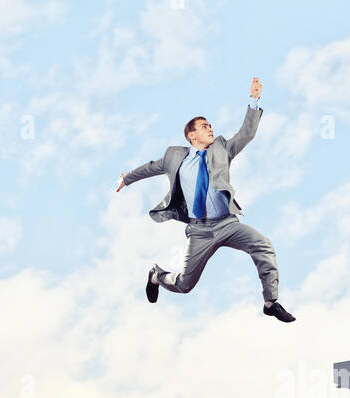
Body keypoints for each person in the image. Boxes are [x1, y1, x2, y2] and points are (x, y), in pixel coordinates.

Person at [117, 76, 295, 322]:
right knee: (184, 285)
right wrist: (127, 179)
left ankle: (270, 302)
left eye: (210, 125)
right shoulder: (173, 157)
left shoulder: (222, 148)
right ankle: (157, 276)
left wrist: (254, 100)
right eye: (204, 126)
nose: (210, 128)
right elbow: (150, 167)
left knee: (263, 245)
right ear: (191, 135)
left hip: (227, 224)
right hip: (199, 231)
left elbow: (246, 133)